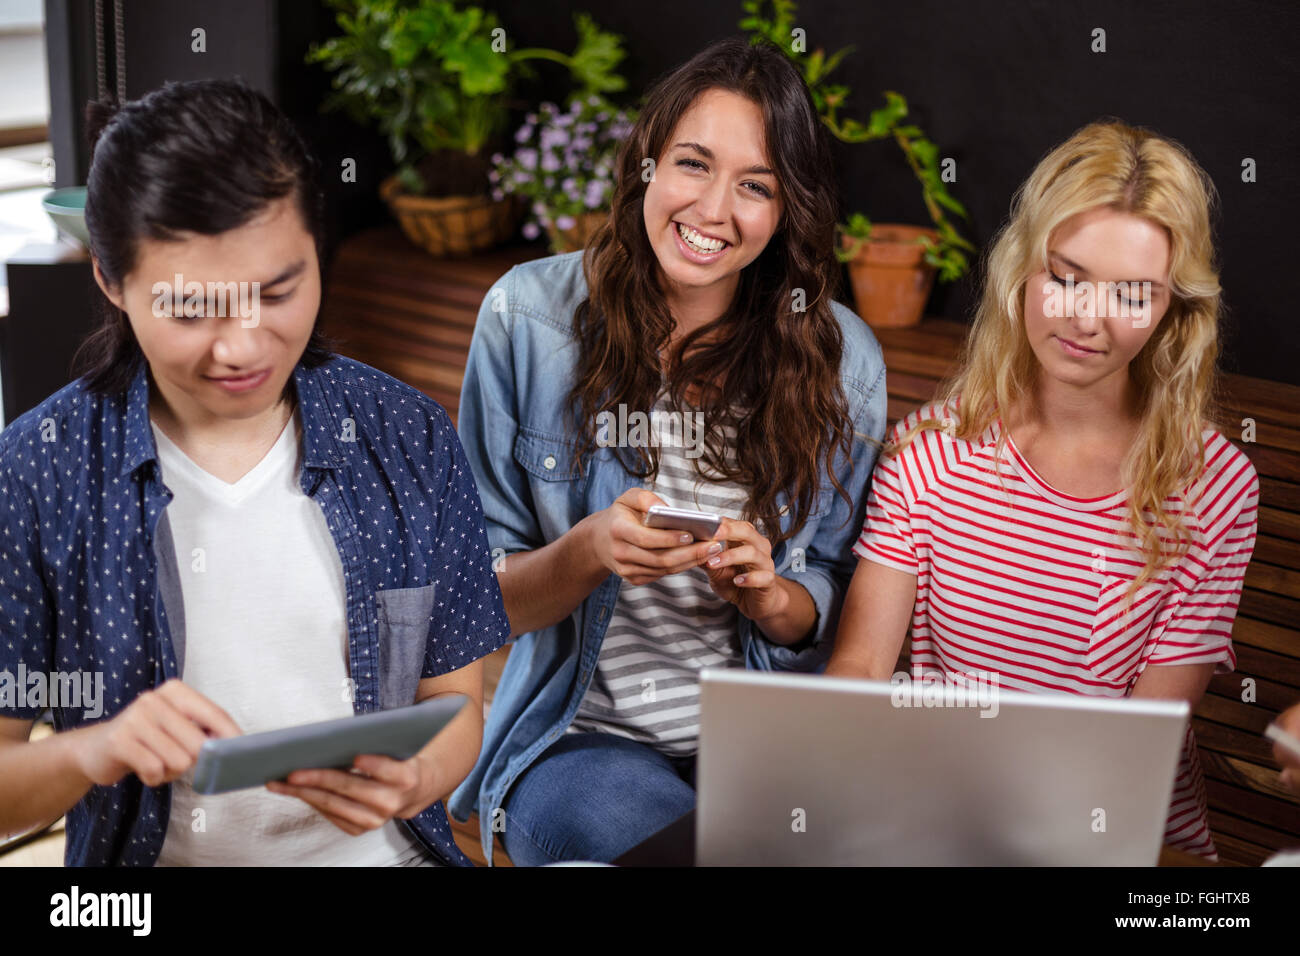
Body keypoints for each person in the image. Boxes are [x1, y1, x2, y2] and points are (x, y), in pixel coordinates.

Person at [0, 79, 509, 866]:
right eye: (191, 309)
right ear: (111, 279)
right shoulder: (37, 470)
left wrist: (418, 775)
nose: (241, 347)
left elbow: (454, 702)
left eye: (277, 291)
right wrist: (90, 752)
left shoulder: (405, 433)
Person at [447, 36, 889, 865]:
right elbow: (476, 601)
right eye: (693, 164)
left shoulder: (843, 360)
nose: (715, 210)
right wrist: (587, 551)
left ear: (787, 207)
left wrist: (770, 597)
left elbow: (826, 592)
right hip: (581, 743)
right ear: (647, 164)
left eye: (755, 186)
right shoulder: (527, 319)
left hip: (765, 748)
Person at [826, 119, 1260, 861]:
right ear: (1022, 269)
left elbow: (1136, 750)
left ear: (1170, 312)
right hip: (940, 825)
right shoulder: (930, 451)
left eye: (1132, 294)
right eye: (1065, 276)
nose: (1087, 321)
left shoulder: (1216, 488)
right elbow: (862, 668)